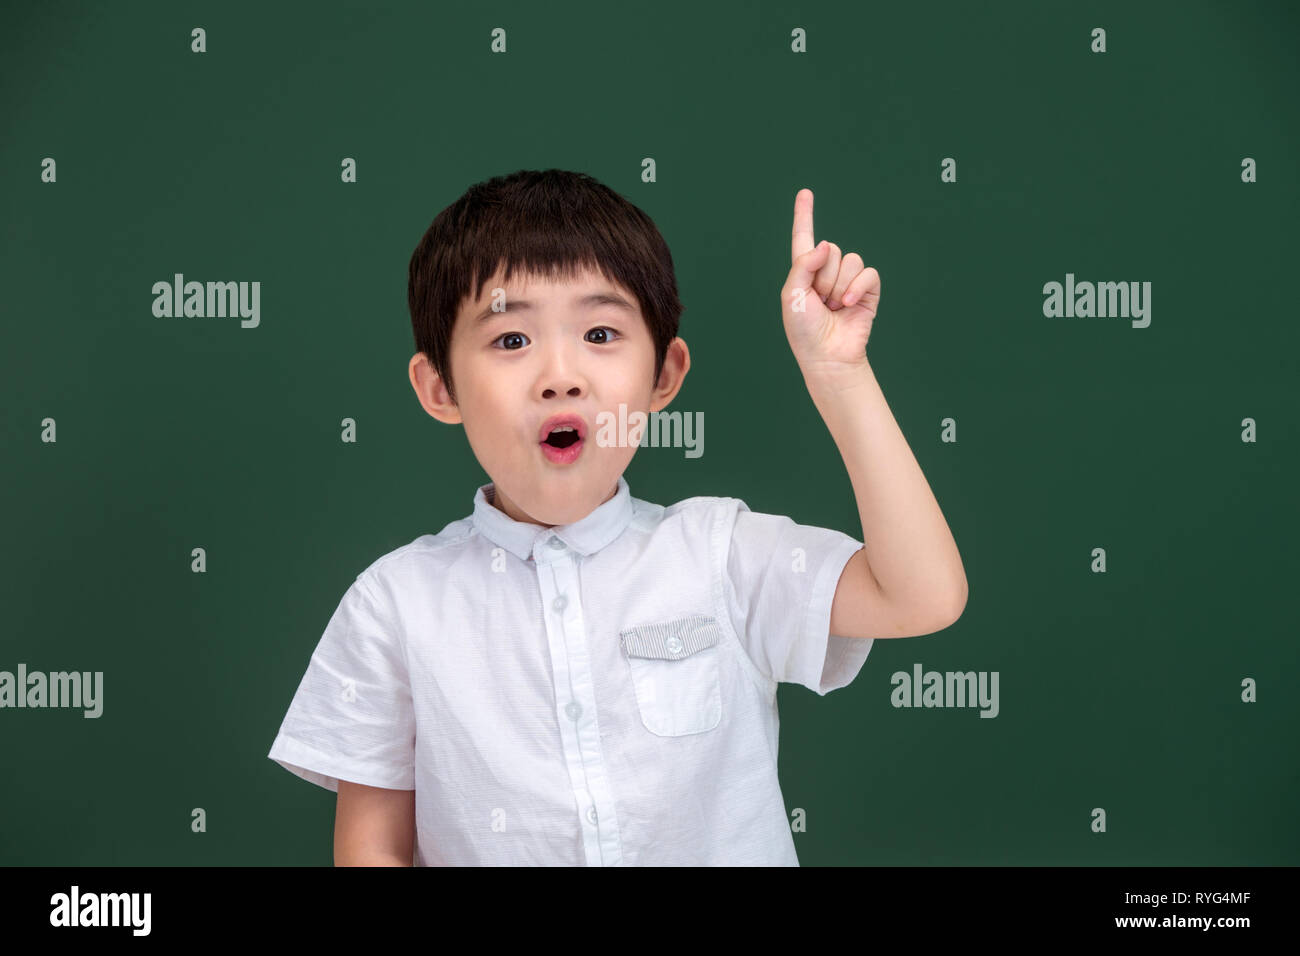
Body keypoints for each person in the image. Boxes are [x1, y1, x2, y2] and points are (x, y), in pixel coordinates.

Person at [267, 169, 967, 865]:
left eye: (601, 333)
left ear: (664, 375)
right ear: (439, 387)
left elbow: (923, 596)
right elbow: (370, 851)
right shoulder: (395, 604)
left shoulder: (723, 555)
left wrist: (839, 374)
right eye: (512, 340)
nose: (561, 374)